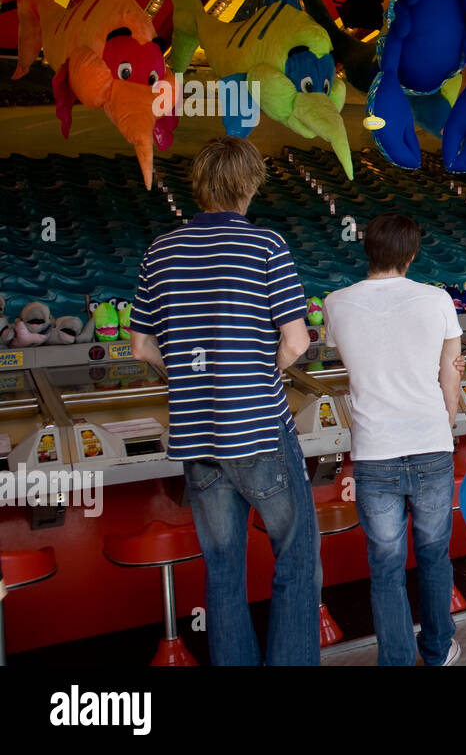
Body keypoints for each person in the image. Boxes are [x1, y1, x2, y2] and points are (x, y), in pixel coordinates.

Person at [129, 137, 320, 665]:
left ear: (201, 185)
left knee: (223, 572)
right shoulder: (266, 246)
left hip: (199, 439)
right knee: (297, 559)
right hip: (259, 429)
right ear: (250, 184)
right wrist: (258, 374)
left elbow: (141, 344)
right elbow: (298, 341)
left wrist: (195, 380)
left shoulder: (160, 251)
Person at [323, 213, 463, 666]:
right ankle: (438, 650)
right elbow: (451, 373)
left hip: (375, 451)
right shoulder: (436, 299)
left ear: (369, 250)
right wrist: (447, 421)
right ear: (411, 253)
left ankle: (398, 660)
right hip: (430, 443)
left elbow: (347, 363)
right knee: (434, 556)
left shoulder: (336, 303)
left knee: (385, 568)